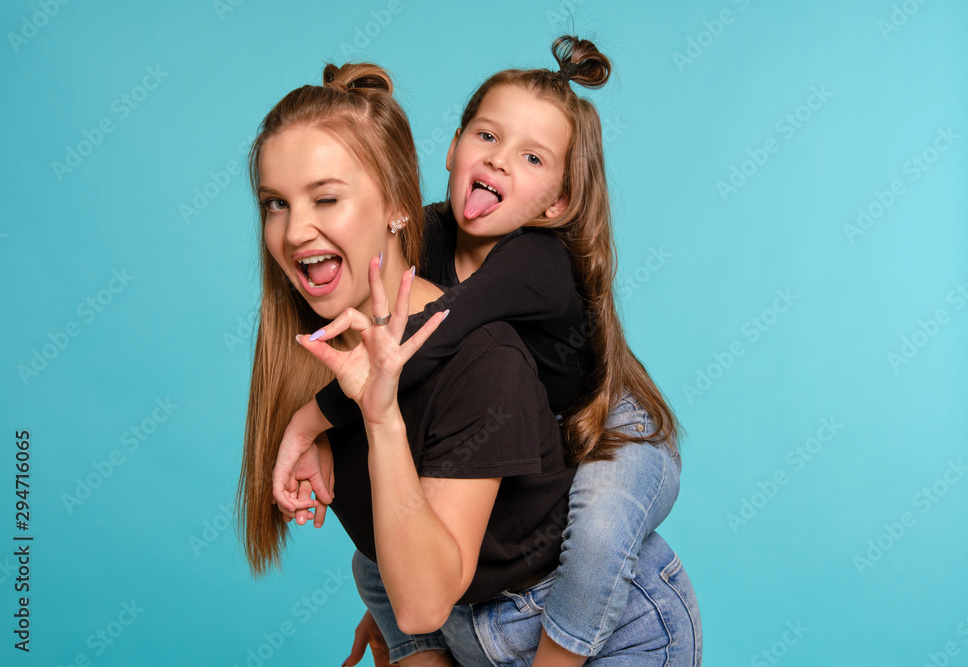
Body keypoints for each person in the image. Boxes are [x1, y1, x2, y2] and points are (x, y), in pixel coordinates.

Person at [272, 37, 701, 666]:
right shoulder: (427, 233)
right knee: (372, 566)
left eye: (531, 157)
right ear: (452, 149)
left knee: (601, 529)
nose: (499, 163)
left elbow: (424, 339)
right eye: (487, 137)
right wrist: (395, 594)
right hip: (536, 448)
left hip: (613, 424)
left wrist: (310, 418)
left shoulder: (535, 260)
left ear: (557, 202)